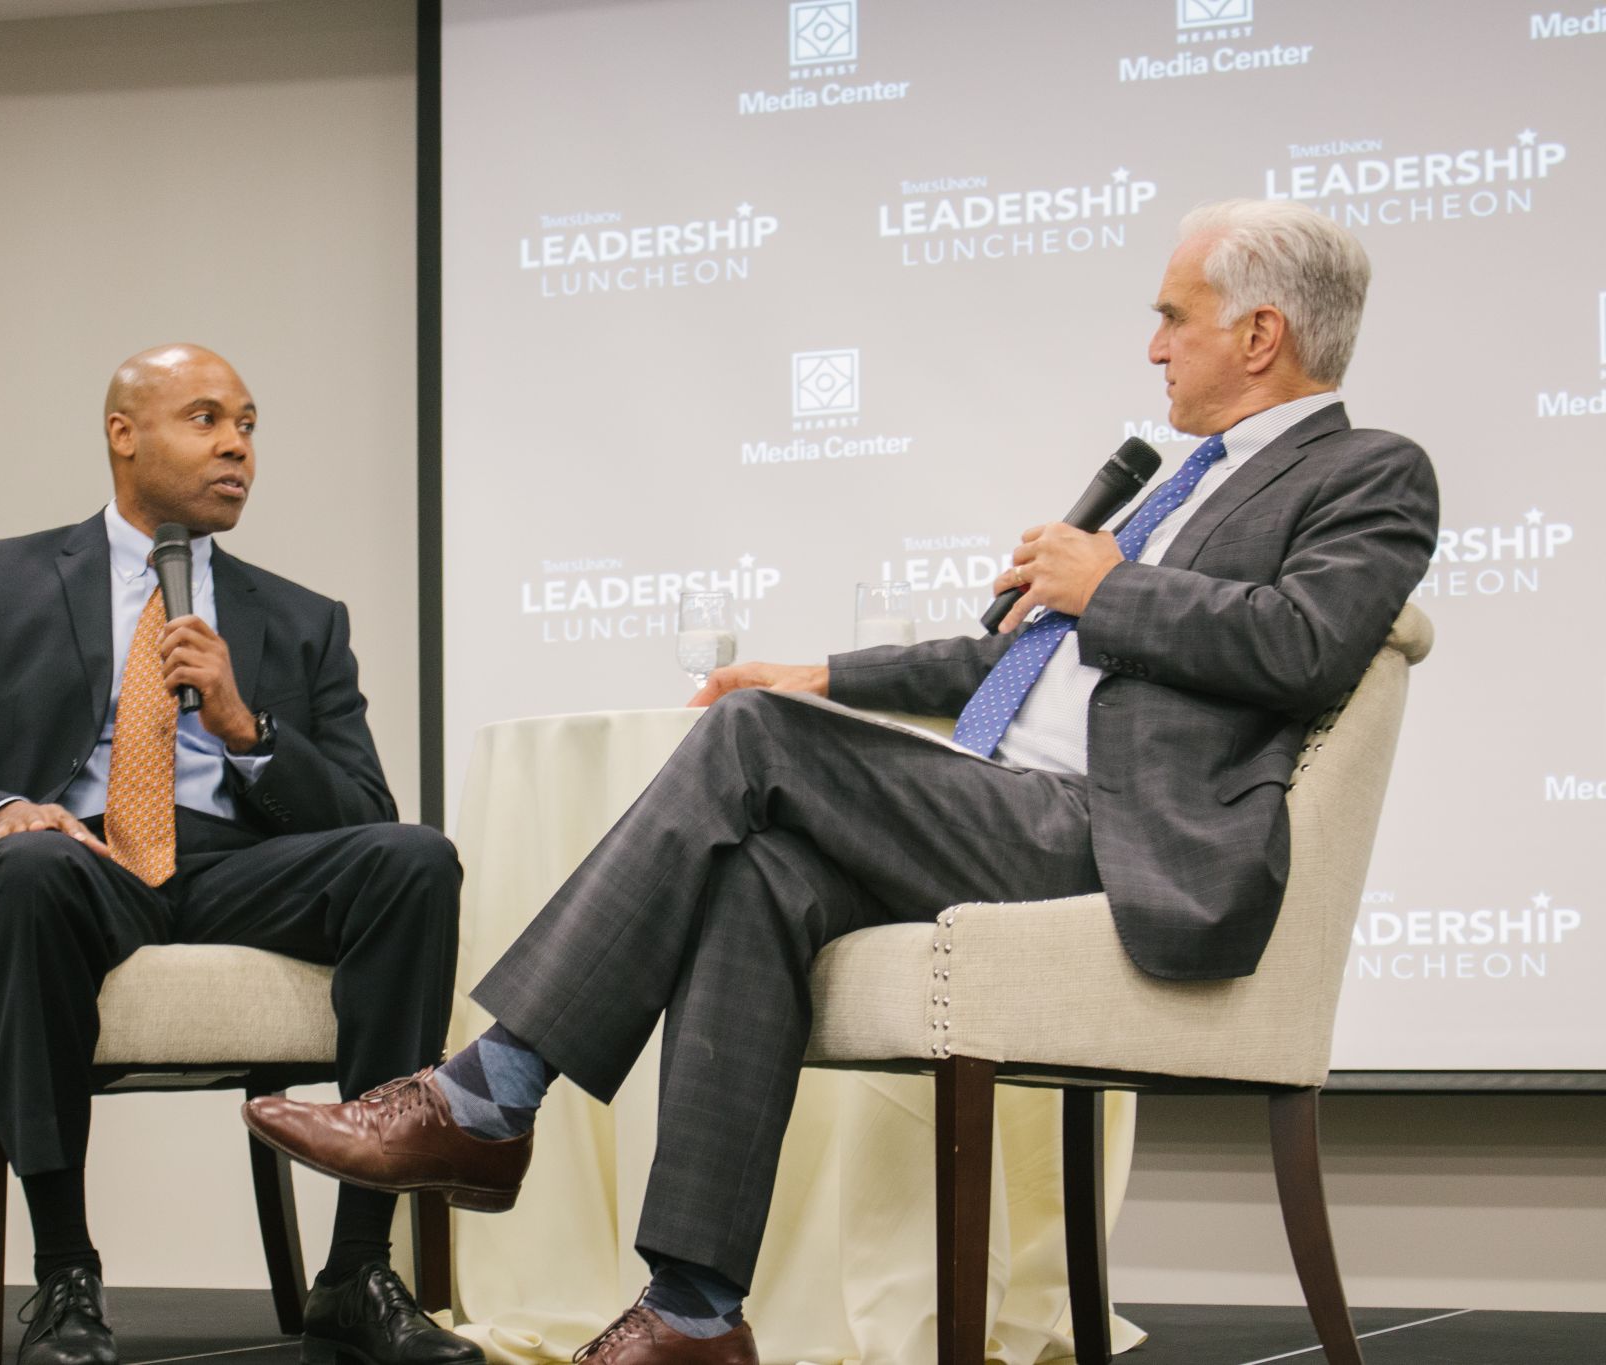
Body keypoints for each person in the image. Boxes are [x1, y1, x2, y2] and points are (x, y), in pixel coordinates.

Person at [242, 200, 1442, 1364]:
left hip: (1118, 842)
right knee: (760, 871)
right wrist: (822, 672)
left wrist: (1106, 586)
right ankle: (694, 1314)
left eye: (1172, 316)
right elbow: (1010, 658)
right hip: (1010, 803)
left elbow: (1301, 643)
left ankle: (490, 1094)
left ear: (1258, 334)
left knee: (751, 740)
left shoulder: (1368, 472)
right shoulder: (1181, 487)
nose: (1152, 344)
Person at [0, 344, 477, 1365]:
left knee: (413, 861)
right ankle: (64, 1275)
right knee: (28, 869)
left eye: (246, 424)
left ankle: (358, 1270)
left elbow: (364, 808)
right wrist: (7, 812)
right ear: (123, 434)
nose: (236, 444)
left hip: (235, 868)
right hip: (73, 862)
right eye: (205, 418)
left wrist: (248, 728)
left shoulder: (300, 618)